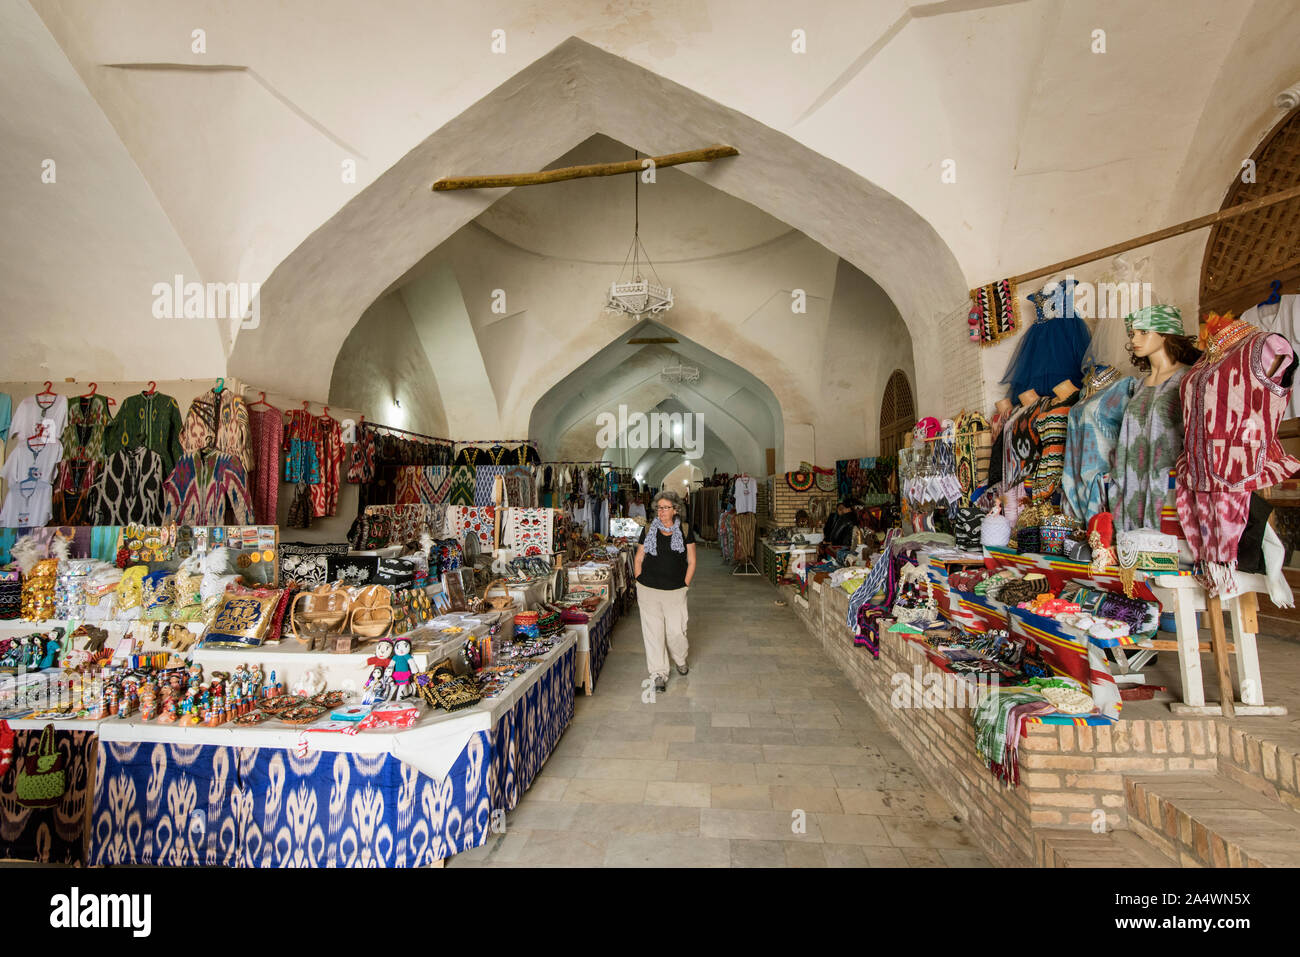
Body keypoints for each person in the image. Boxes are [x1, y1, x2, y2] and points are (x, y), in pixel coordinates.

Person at [634, 490, 696, 692]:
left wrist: (685, 583)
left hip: (675, 590)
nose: (661, 511)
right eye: (659, 507)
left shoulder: (685, 530)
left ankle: (680, 659)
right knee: (653, 633)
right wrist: (638, 578)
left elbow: (692, 560)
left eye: (665, 508)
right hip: (648, 589)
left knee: (676, 632)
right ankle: (658, 673)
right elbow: (639, 557)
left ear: (675, 509)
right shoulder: (649, 528)